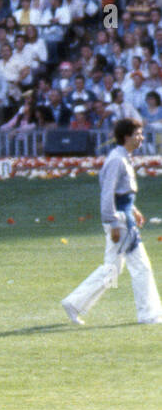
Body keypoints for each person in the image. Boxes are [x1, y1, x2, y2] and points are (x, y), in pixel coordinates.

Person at [61, 118, 162, 326]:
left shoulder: (122, 157)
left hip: (124, 217)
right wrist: (114, 222)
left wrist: (133, 209)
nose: (141, 138)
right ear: (126, 136)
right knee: (137, 268)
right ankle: (148, 314)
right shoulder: (117, 159)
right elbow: (108, 193)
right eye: (137, 134)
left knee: (114, 270)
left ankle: (74, 303)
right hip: (121, 221)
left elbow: (120, 192)